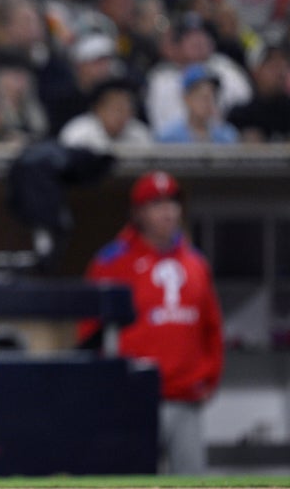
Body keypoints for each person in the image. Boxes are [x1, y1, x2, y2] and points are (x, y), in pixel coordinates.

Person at [77, 171, 224, 475]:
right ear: (138, 213)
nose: (168, 211)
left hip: (185, 396)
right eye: (156, 204)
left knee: (192, 480)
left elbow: (212, 326)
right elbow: (89, 331)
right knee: (132, 479)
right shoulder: (111, 261)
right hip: (130, 399)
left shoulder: (195, 262)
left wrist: (209, 376)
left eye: (173, 202)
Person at [157, 64, 239, 144]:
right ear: (186, 98)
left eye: (213, 96)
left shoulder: (226, 136)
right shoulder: (169, 137)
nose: (208, 102)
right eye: (202, 96)